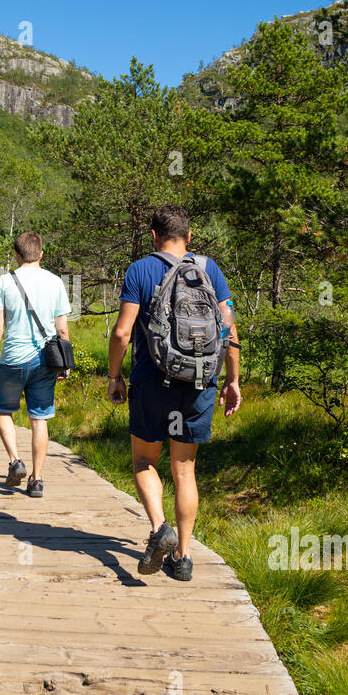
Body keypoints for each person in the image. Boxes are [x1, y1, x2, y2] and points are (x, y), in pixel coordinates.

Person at [107, 204, 241, 581]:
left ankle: (159, 528)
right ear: (189, 235)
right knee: (185, 469)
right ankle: (182, 558)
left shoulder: (140, 270)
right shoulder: (209, 269)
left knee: (144, 461)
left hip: (153, 381)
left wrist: (114, 376)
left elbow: (121, 333)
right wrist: (232, 381)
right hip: (199, 382)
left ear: (153, 235)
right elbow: (230, 331)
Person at [0, 232, 71, 497]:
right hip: (45, 361)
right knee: (39, 419)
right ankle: (37, 480)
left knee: (4, 411)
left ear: (17, 255)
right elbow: (62, 330)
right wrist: (65, 364)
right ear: (41, 253)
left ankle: (15, 461)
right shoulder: (56, 282)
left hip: (12, 360)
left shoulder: (5, 282)